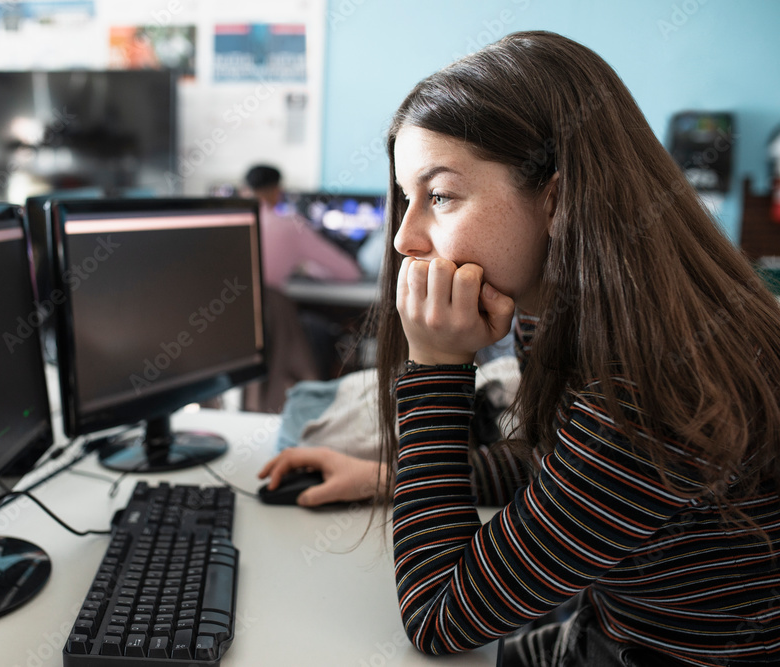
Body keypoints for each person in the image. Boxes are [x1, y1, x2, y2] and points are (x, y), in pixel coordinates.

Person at [259, 31, 780, 666]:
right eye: (407, 200)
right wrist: (386, 477)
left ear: (557, 199)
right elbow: (553, 472)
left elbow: (439, 618)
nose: (404, 239)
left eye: (441, 196)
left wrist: (436, 366)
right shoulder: (569, 313)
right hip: (608, 629)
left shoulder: (650, 393)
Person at [244, 164, 362, 289]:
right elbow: (350, 273)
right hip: (268, 304)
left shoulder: (232, 221)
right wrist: (306, 268)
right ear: (277, 192)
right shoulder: (292, 226)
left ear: (244, 191)